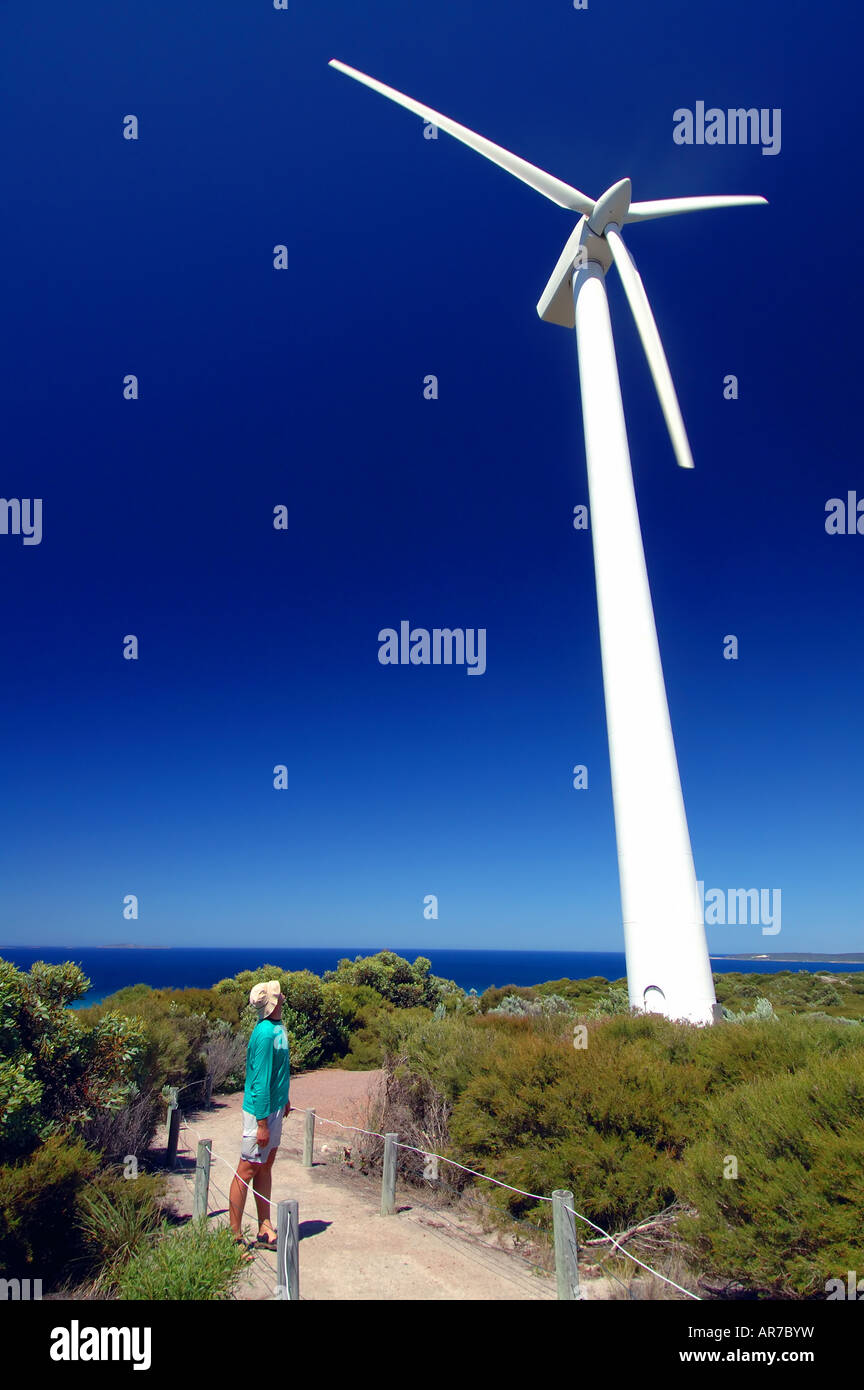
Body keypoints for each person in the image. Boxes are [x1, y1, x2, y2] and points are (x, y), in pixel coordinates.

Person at [229, 979, 291, 1252]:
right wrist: (262, 1124)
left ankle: (265, 1226)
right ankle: (233, 1238)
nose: (284, 998)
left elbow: (278, 1070)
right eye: (279, 996)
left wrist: (285, 1098)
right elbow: (259, 1080)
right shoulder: (265, 1034)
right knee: (247, 1168)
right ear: (273, 1003)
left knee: (265, 1165)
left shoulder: (277, 1028)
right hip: (260, 1112)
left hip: (274, 1108)